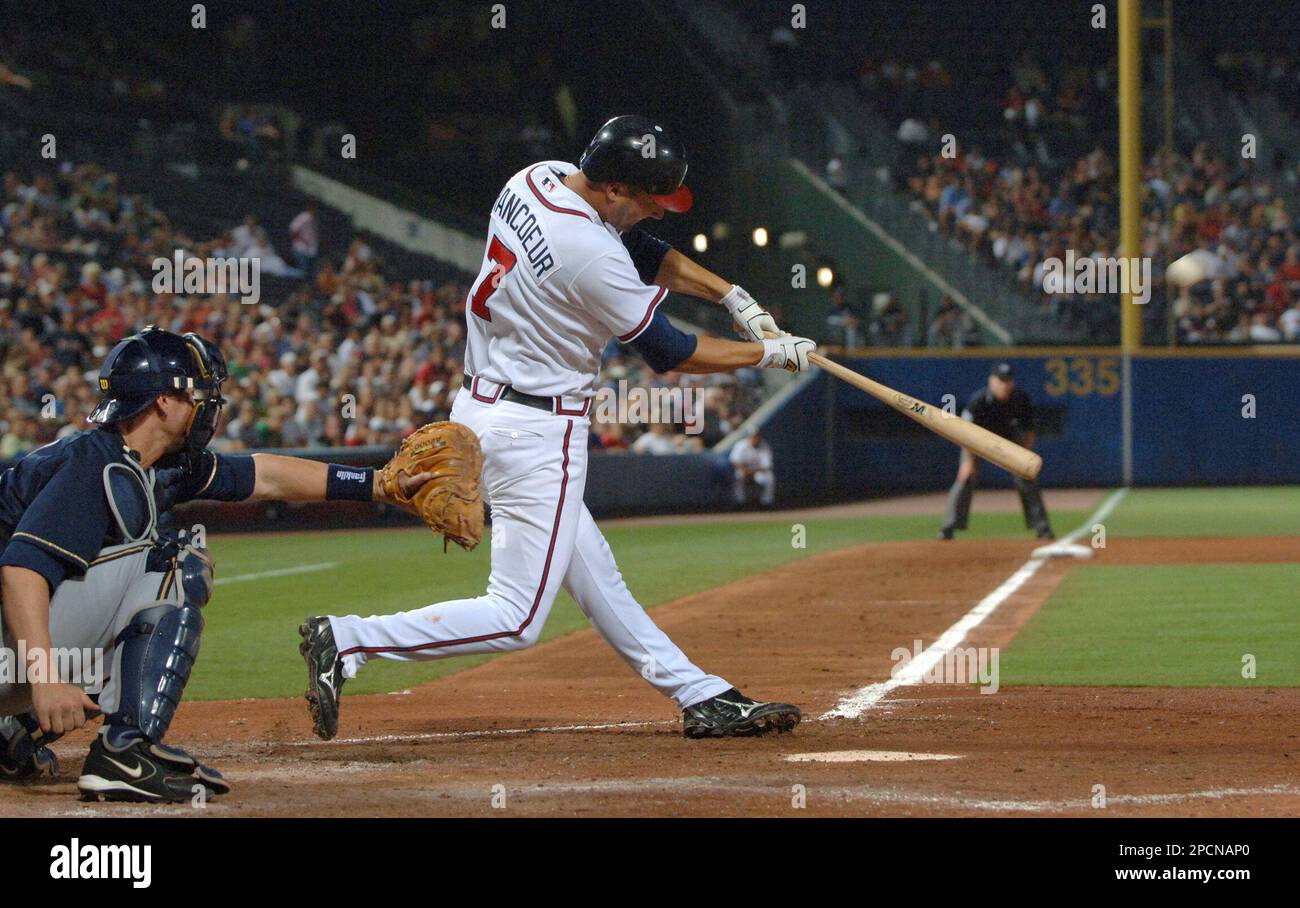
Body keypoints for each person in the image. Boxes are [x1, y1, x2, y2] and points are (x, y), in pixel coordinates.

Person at [300, 115, 816, 741]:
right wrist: (768, 353)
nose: (658, 212)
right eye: (650, 198)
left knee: (596, 573)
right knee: (516, 617)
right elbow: (669, 350)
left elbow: (642, 250)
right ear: (616, 189)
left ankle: (699, 694)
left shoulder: (537, 178)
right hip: (537, 432)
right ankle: (348, 638)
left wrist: (732, 297)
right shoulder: (588, 254)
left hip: (487, 407)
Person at [0, 327, 430, 802]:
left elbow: (262, 474)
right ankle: (126, 752)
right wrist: (43, 678)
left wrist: (377, 484)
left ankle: (12, 732)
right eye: (199, 393)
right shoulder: (97, 463)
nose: (209, 406)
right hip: (10, 653)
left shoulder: (151, 462)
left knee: (135, 618)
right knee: (173, 563)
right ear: (164, 401)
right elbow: (22, 571)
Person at [939, 363, 1053, 540]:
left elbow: (1030, 431)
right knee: (965, 478)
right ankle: (948, 528)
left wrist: (1024, 459)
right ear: (991, 381)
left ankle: (1042, 527)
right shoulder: (978, 401)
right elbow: (963, 432)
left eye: (1008, 380)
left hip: (1010, 443)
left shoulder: (1021, 399)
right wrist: (969, 462)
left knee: (1027, 478)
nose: (1004, 384)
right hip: (977, 442)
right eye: (1000, 380)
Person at [730, 432, 775, 507]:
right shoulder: (741, 445)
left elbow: (767, 465)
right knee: (738, 476)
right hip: (743, 471)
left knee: (769, 477)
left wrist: (752, 472)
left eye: (757, 436)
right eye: (753, 437)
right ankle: (740, 502)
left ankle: (766, 503)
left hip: (757, 472)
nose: (755, 439)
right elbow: (735, 462)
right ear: (749, 437)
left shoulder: (765, 446)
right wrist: (746, 471)